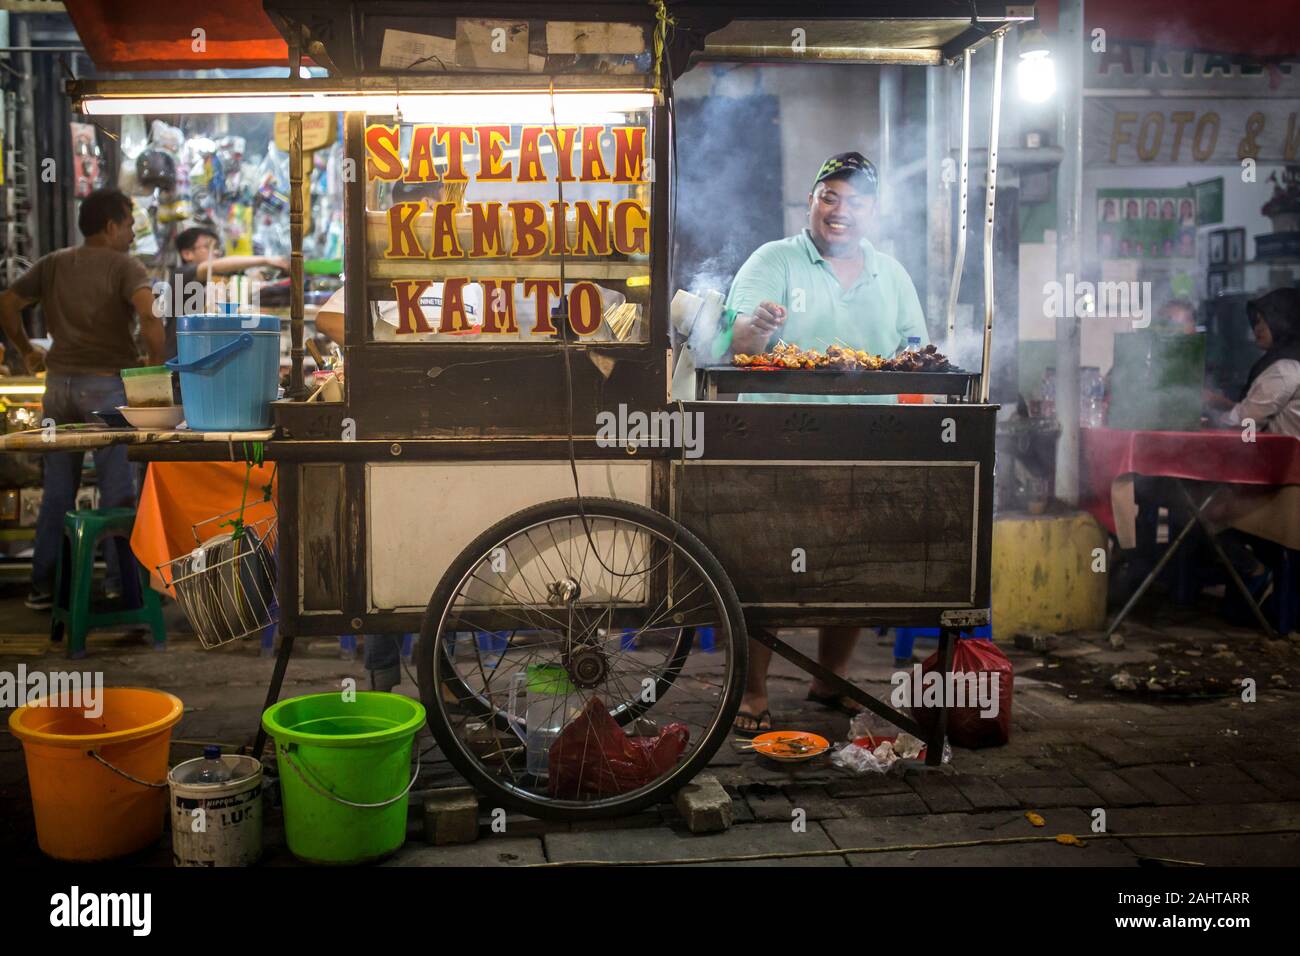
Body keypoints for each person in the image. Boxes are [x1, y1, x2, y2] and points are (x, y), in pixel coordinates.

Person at [719, 151, 929, 735]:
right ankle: (754, 694)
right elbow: (735, 343)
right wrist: (756, 327)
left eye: (855, 200)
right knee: (767, 567)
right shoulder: (776, 260)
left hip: (869, 441)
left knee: (851, 563)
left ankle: (830, 679)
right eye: (829, 196)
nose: (840, 210)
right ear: (810, 201)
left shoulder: (892, 274)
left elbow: (916, 351)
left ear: (874, 211)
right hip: (780, 441)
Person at [0, 187, 165, 609]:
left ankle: (44, 588)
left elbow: (7, 303)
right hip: (106, 389)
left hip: (58, 389)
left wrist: (26, 351)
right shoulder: (125, 266)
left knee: (58, 489)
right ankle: (121, 585)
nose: (131, 235)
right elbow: (148, 314)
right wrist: (156, 366)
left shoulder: (54, 263)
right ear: (111, 226)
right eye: (128, 225)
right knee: (118, 493)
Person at [168, 226, 288, 358]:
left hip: (199, 353)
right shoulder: (181, 273)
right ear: (187, 254)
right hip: (179, 355)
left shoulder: (212, 281)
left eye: (216, 248)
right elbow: (213, 266)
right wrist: (266, 260)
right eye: (208, 247)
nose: (216, 252)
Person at [1205, 287, 1300, 438]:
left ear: (1285, 321)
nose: (1258, 328)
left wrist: (1206, 423)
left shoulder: (1285, 370)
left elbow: (1245, 422)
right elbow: (1262, 407)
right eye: (1256, 321)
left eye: (1265, 321)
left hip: (1285, 460)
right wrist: (1225, 404)